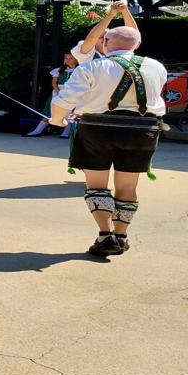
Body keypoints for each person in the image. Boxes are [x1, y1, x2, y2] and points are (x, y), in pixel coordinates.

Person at [48, 25, 168, 257]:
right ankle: (121, 236)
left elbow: (65, 99)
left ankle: (106, 235)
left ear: (106, 43)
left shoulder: (93, 66)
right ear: (138, 44)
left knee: (97, 185)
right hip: (143, 131)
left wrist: (56, 120)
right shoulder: (156, 67)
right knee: (127, 186)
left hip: (98, 129)